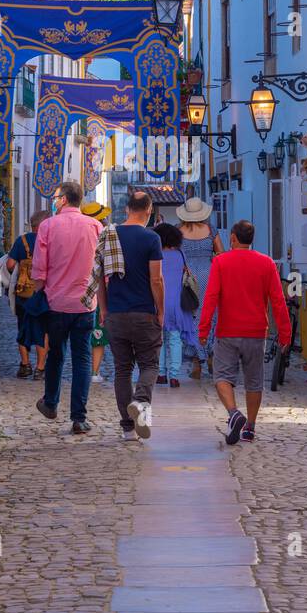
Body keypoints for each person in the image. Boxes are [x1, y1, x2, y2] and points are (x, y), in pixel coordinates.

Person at [198, 218, 291, 446]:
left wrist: (203, 328)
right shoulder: (267, 263)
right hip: (256, 331)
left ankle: (233, 413)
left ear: (232, 238)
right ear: (252, 239)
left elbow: (210, 297)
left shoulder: (221, 262)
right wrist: (285, 334)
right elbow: (278, 301)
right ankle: (249, 426)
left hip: (227, 331)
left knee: (221, 377)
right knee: (254, 381)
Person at [31, 179, 102, 435]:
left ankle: (50, 403)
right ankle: (79, 418)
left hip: (57, 302)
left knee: (56, 354)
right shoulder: (95, 226)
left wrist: (40, 289)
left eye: (56, 196)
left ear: (63, 199)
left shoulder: (48, 226)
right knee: (82, 358)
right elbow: (100, 265)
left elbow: (39, 267)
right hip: (85, 304)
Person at [97, 189, 164, 441]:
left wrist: (103, 309)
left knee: (122, 370)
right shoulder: (151, 238)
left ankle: (128, 429)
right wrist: (161, 311)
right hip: (144, 312)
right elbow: (156, 280)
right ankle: (141, 401)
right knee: (149, 365)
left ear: (127, 209)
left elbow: (100, 278)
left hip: (115, 313)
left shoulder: (108, 236)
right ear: (149, 210)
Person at [176, 196, 224, 379]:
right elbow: (221, 253)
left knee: (191, 315)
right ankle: (211, 356)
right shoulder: (211, 230)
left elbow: (173, 254)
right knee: (209, 314)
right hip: (209, 274)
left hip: (187, 276)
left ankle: (196, 362)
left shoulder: (178, 231)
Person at [6, 210, 49, 378]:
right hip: (42, 293)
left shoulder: (21, 241)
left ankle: (25, 365)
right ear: (43, 225)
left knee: (22, 328)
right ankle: (40, 368)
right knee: (42, 330)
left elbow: (10, 264)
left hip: (23, 293)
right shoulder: (48, 240)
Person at [153, 222, 197, 388]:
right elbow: (187, 274)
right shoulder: (180, 254)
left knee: (160, 339)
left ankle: (161, 374)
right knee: (175, 339)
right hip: (177, 302)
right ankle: (174, 376)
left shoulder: (155, 254)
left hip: (158, 300)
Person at [82, 202, 112, 382]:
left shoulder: (78, 235)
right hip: (99, 290)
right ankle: (94, 372)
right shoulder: (106, 238)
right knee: (98, 331)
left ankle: (87, 370)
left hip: (78, 290)